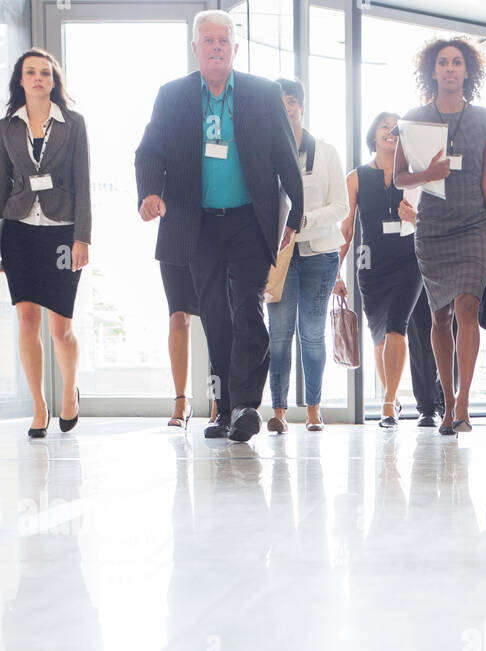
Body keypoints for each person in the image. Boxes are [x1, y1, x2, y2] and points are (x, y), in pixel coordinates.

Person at [135, 10, 304, 442]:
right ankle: (225, 409)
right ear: (195, 47)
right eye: (208, 40)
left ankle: (246, 405)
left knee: (247, 306)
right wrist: (150, 193)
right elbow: (150, 152)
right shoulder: (172, 95)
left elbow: (285, 156)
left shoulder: (262, 93)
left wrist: (295, 214)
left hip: (250, 219)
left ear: (235, 48)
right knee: (214, 315)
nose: (215, 47)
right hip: (199, 223)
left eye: (222, 41)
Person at [394, 36, 486, 436]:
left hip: (474, 226)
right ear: (432, 70)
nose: (449, 68)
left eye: (457, 62)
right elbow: (399, 178)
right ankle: (446, 400)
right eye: (443, 62)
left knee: (466, 306)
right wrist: (428, 174)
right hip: (432, 228)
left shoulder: (485, 120)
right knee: (439, 316)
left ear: (468, 71)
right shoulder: (414, 119)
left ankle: (462, 404)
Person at [0, 48, 90, 437]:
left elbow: (83, 183)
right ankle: (39, 406)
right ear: (20, 80)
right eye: (31, 72)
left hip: (61, 231)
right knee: (26, 318)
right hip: (18, 230)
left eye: (45, 73)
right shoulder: (7, 127)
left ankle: (68, 392)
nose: (38, 78)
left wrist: (82, 237)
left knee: (60, 326)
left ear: (54, 81)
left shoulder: (74, 124)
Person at [340, 110, 443, 429]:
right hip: (371, 265)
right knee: (380, 339)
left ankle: (388, 404)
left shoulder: (415, 175)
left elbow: (436, 221)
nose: (391, 131)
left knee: (396, 326)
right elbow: (346, 229)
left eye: (396, 127)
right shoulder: (356, 177)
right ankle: (392, 397)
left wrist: (415, 219)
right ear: (373, 135)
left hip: (409, 260)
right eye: (384, 126)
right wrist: (336, 273)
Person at [266, 77, 347, 434]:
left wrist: (303, 220)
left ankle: (314, 409)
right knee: (279, 335)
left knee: (312, 334)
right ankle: (278, 411)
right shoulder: (265, 150)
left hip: (320, 254)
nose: (286, 108)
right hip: (279, 256)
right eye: (279, 102)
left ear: (301, 105)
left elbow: (341, 206)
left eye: (291, 101)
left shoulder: (326, 152)